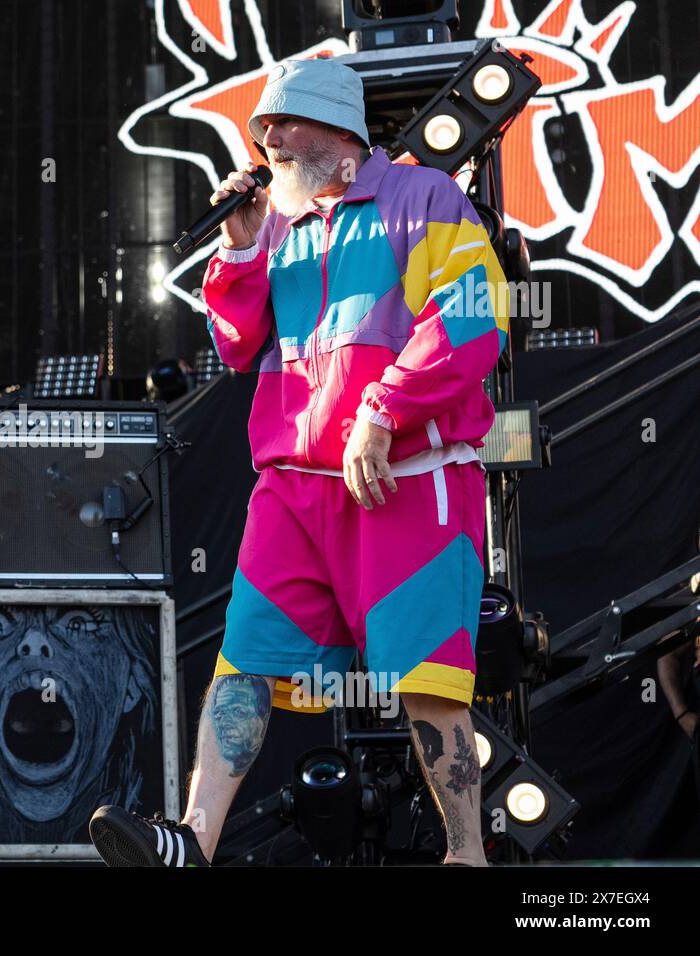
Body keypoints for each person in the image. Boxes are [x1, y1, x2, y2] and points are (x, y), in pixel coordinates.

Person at [90, 57, 508, 866]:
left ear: (338, 130)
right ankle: (194, 842)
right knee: (244, 662)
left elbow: (472, 318)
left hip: (408, 481)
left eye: (283, 124)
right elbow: (239, 346)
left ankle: (467, 853)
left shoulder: (422, 199)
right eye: (262, 129)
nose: (267, 140)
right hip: (293, 486)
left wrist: (383, 411)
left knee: (428, 681)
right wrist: (241, 250)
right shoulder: (275, 220)